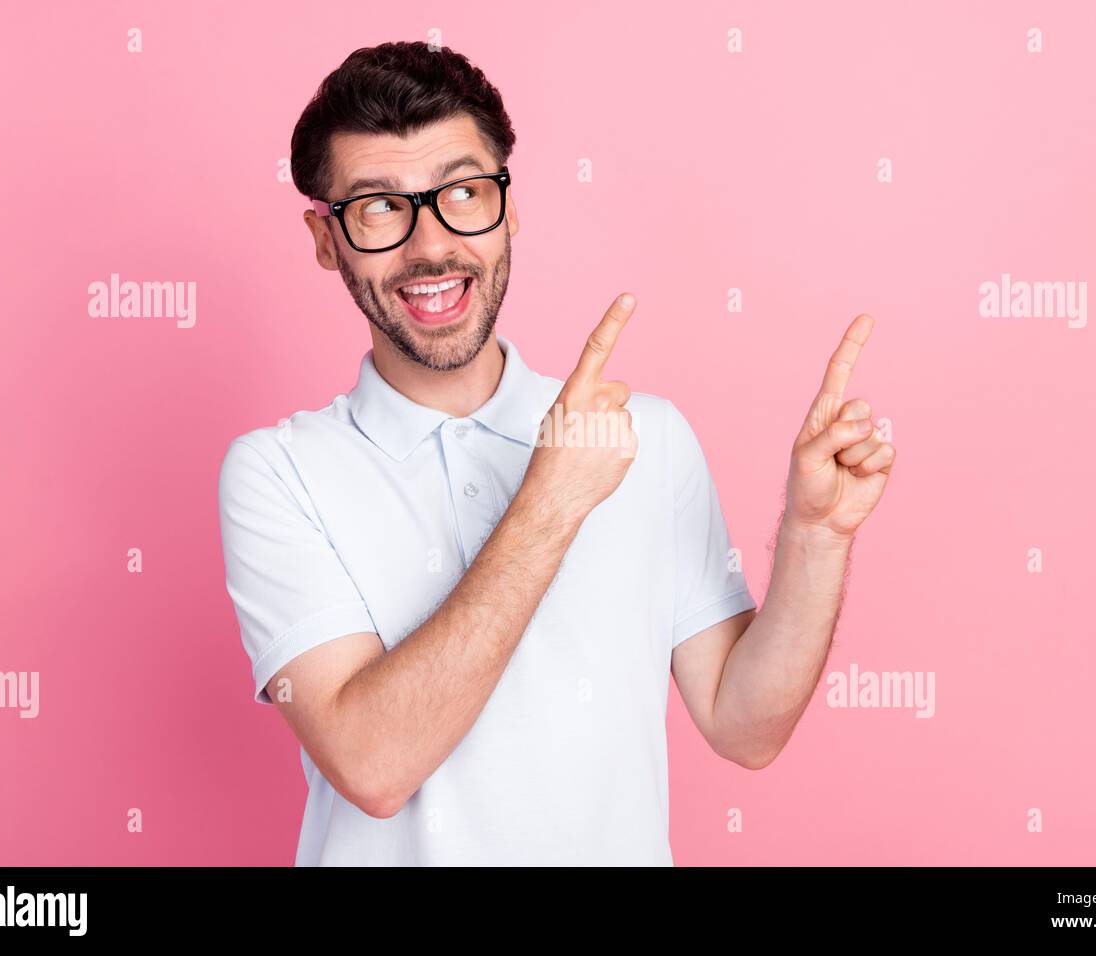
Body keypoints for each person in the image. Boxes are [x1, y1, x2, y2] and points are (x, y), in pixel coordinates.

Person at [217, 41, 896, 866]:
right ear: (325, 240)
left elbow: (744, 726)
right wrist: (551, 498)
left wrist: (816, 537)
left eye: (465, 193)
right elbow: (372, 763)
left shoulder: (647, 437)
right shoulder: (279, 472)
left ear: (507, 209)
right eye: (380, 208)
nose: (432, 247)